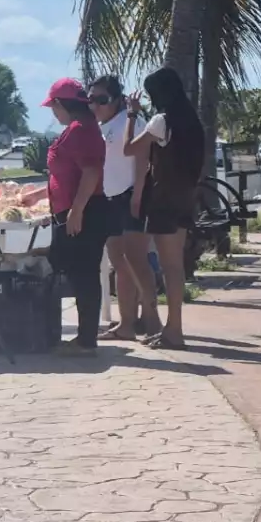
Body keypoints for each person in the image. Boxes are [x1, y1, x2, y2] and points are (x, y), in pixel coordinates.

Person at [21, 79, 109, 357]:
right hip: (77, 210)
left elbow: (91, 173)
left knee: (81, 274)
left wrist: (76, 210)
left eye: (52, 107)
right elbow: (65, 174)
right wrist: (39, 195)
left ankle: (85, 341)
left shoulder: (80, 130)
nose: (53, 113)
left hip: (84, 212)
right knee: (78, 271)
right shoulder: (78, 128)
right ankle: (84, 338)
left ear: (60, 104)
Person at [123, 67, 205, 350]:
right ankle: (173, 327)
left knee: (170, 268)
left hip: (164, 200)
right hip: (184, 197)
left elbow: (129, 149)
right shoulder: (191, 120)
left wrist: (131, 115)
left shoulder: (161, 121)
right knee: (175, 267)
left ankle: (175, 330)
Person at [88, 75, 162, 341]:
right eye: (92, 99)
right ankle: (126, 323)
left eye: (102, 100)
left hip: (133, 197)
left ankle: (153, 320)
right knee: (119, 262)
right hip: (111, 198)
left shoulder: (132, 122)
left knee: (137, 260)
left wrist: (138, 196)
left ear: (117, 100)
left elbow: (142, 161)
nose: (96, 105)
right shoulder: (101, 126)